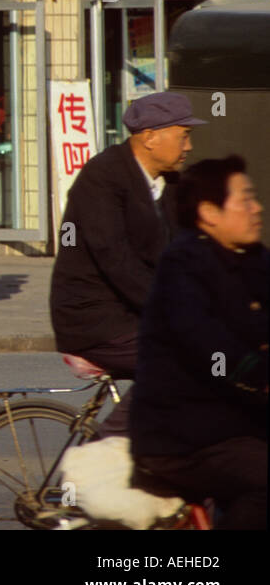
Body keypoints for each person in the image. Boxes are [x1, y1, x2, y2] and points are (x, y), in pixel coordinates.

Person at [51, 91, 203, 438]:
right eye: (184, 135)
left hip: (135, 311)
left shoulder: (170, 183)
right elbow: (115, 260)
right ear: (150, 137)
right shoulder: (102, 178)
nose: (189, 146)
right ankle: (104, 451)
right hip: (96, 318)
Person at [130, 156, 266, 529]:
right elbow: (209, 345)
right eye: (246, 200)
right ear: (209, 212)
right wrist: (256, 371)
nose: (258, 208)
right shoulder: (184, 264)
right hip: (183, 434)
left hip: (235, 420)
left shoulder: (251, 258)